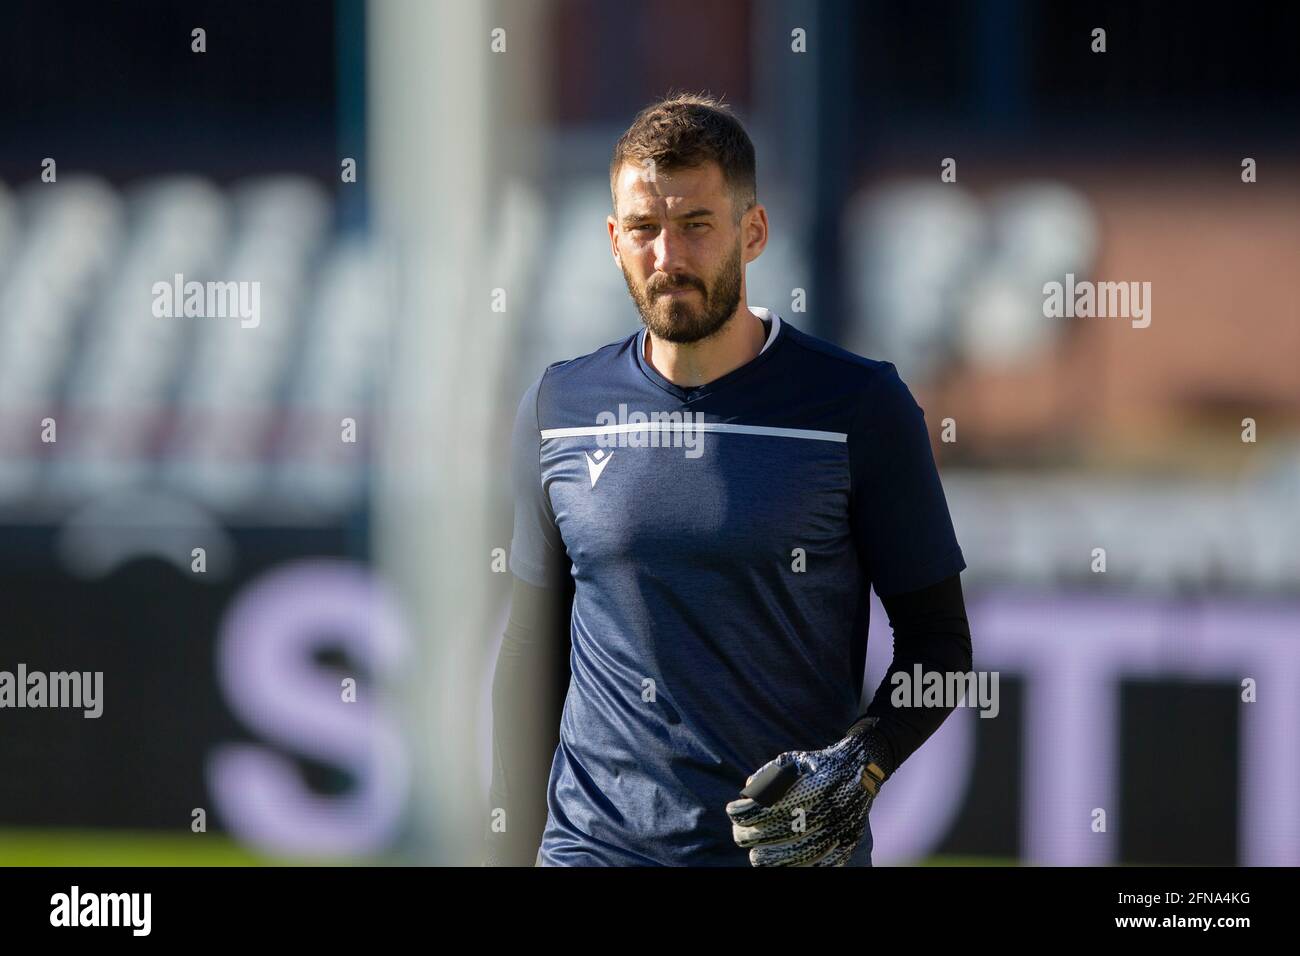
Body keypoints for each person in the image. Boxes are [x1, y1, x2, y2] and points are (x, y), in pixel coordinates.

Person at [485, 92, 971, 867]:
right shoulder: (558, 407)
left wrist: (864, 764)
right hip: (591, 850)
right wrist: (507, 840)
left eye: (695, 226)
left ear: (754, 231)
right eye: (643, 229)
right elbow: (532, 644)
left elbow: (941, 649)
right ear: (614, 239)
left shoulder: (859, 406)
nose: (667, 257)